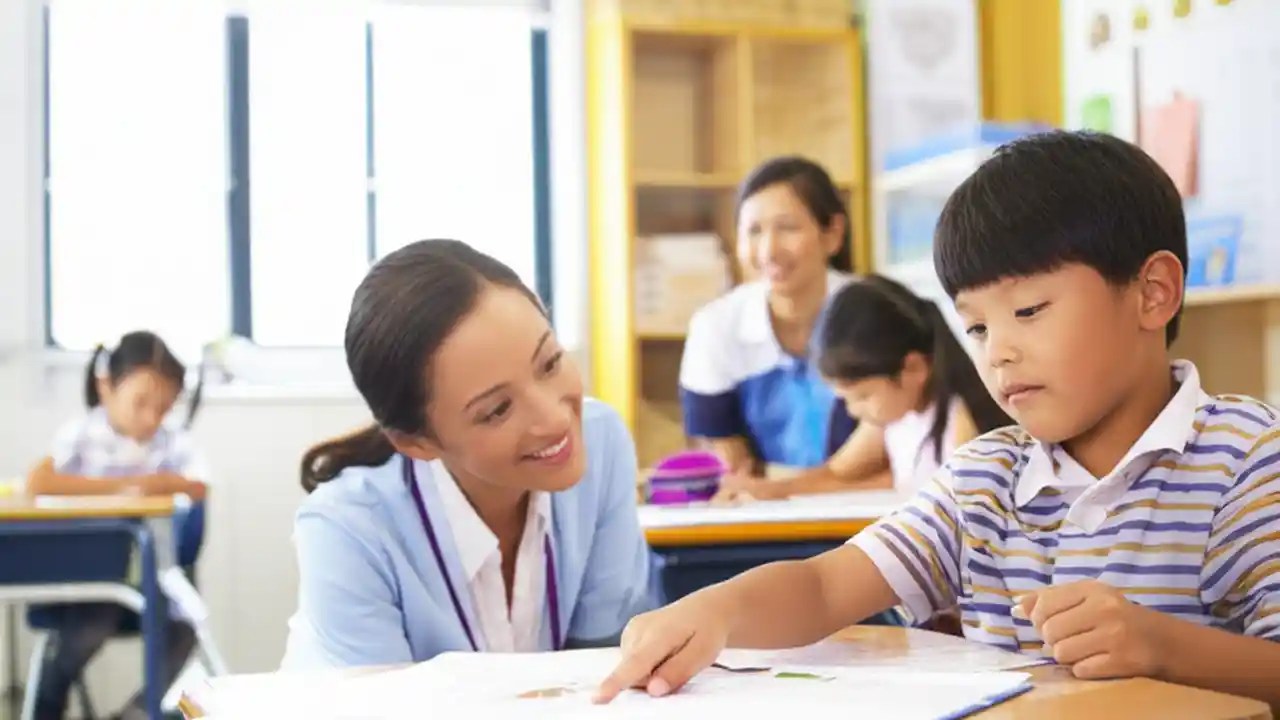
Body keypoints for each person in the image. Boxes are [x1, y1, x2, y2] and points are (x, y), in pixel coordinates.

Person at [594, 131, 1280, 707]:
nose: (1000, 352)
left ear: (1153, 293)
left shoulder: (1245, 460)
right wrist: (718, 612)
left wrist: (1161, 647)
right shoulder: (984, 479)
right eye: (976, 329)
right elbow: (827, 584)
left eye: (1030, 312)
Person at [282, 239, 656, 669]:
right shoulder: (347, 529)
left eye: (550, 363)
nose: (554, 419)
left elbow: (608, 663)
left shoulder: (599, 441)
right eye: (497, 410)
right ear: (416, 442)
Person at [27, 331, 208, 720]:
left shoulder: (171, 442)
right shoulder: (82, 433)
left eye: (163, 408)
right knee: (95, 620)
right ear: (106, 387)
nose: (151, 418)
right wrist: (125, 489)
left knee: (186, 630)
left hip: (151, 578)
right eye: (140, 403)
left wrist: (158, 484)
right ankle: (48, 700)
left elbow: (196, 486)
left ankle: (135, 715)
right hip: (86, 580)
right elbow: (39, 482)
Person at [720, 275, 1011, 500]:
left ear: (913, 369)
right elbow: (838, 472)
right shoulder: (893, 415)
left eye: (863, 396)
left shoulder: (961, 426)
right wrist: (769, 490)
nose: (853, 410)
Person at [679, 157, 856, 478]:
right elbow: (726, 460)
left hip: (875, 511)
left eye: (787, 228)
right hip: (761, 514)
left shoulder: (878, 314)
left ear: (832, 233)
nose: (769, 250)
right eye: (754, 231)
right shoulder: (715, 327)